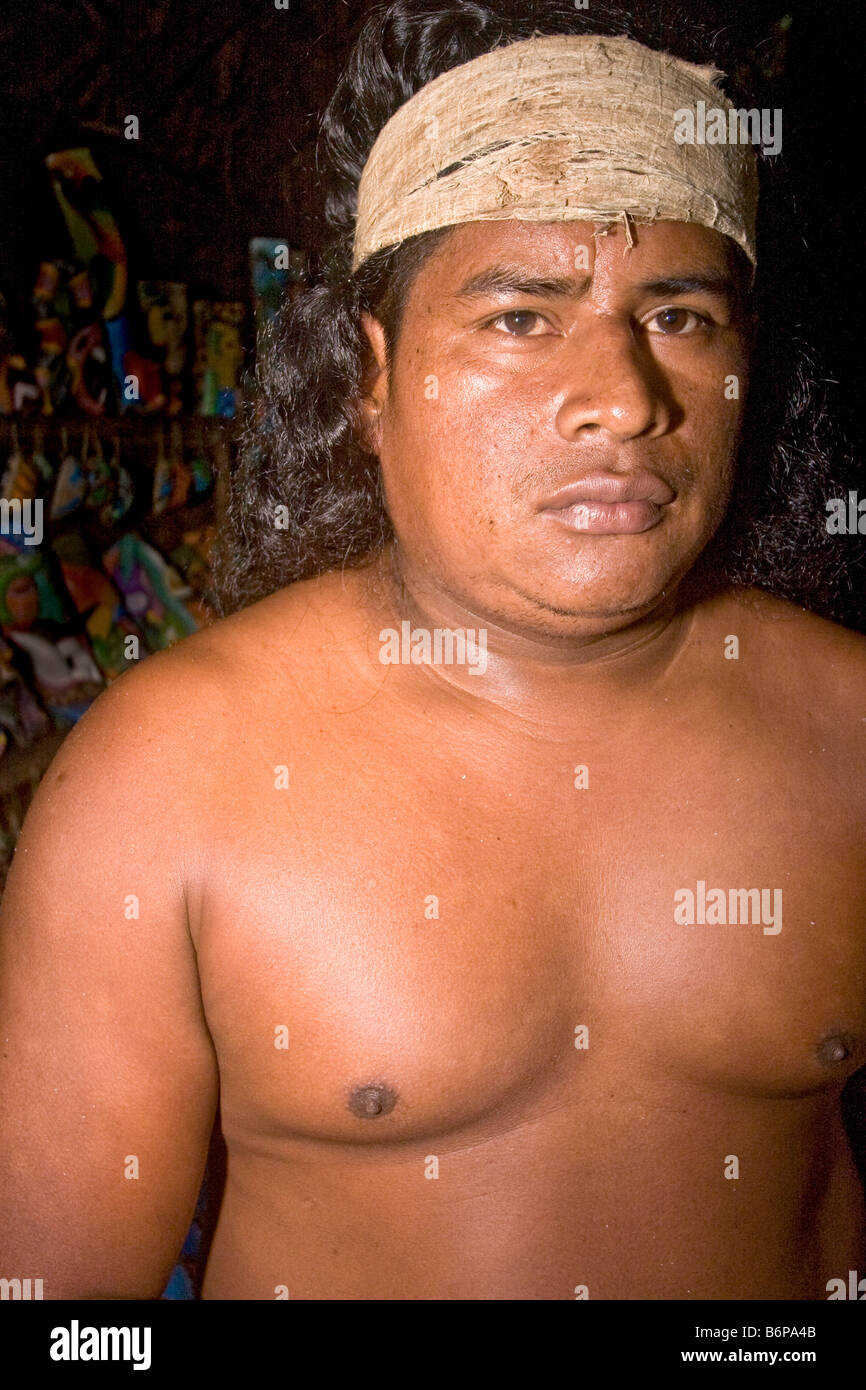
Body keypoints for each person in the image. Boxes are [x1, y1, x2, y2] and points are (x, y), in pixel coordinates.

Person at [1, 0, 864, 1301]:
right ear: (372, 371)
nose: (624, 397)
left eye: (679, 316)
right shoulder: (161, 786)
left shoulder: (844, 730)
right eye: (520, 317)